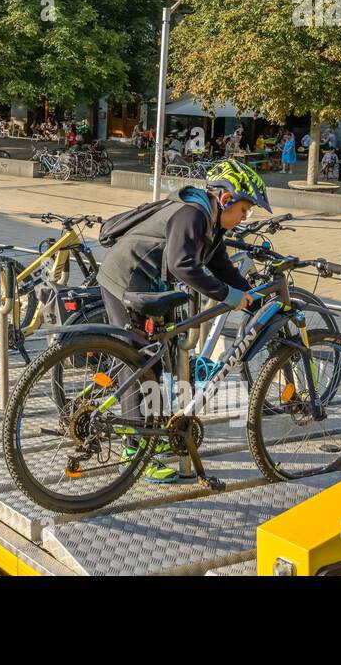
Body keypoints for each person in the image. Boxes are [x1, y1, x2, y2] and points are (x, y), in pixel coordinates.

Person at [96, 159, 270, 483]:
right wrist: (228, 296)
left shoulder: (212, 221)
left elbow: (221, 266)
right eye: (245, 209)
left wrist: (254, 299)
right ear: (227, 198)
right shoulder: (193, 214)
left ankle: (149, 433)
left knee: (155, 363)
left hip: (146, 287)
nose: (246, 217)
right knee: (141, 364)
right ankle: (134, 453)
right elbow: (181, 265)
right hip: (126, 281)